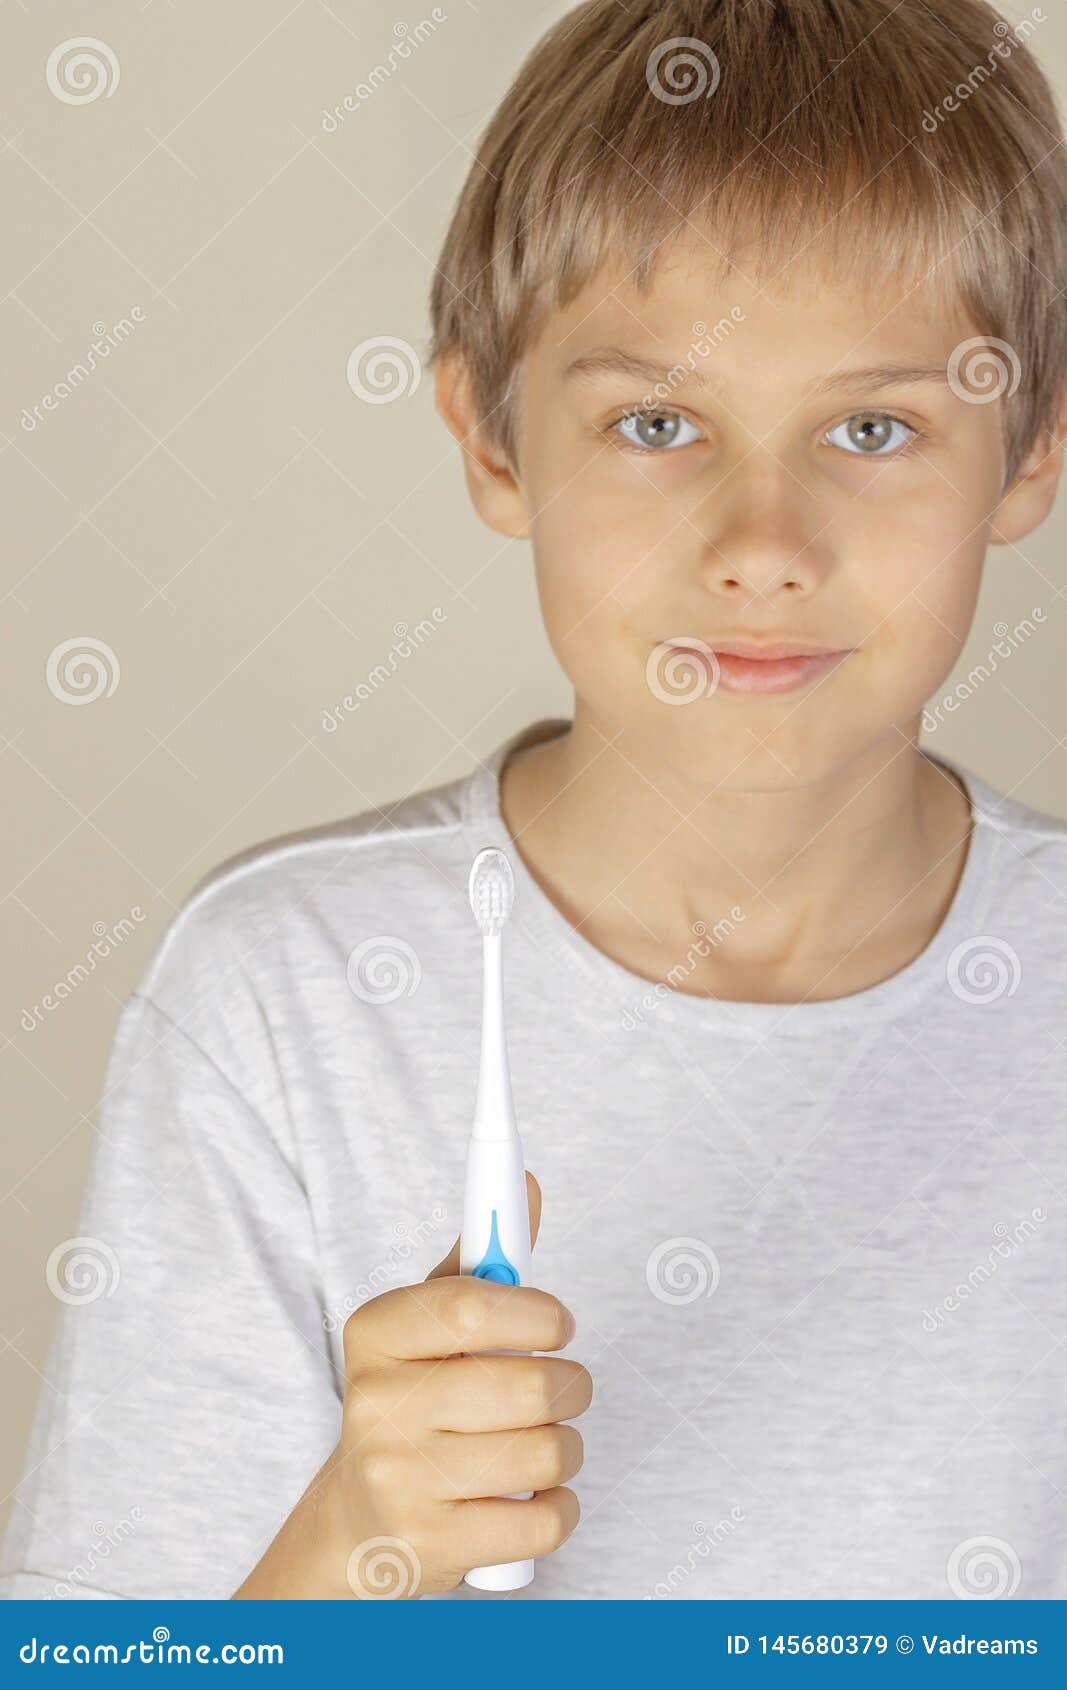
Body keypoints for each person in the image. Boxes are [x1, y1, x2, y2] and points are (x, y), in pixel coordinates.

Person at [4, 0, 1067, 1602]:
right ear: (491, 440)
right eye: (657, 424)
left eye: (873, 426)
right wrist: (357, 1539)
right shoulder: (285, 1001)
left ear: (1033, 449)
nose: (763, 537)